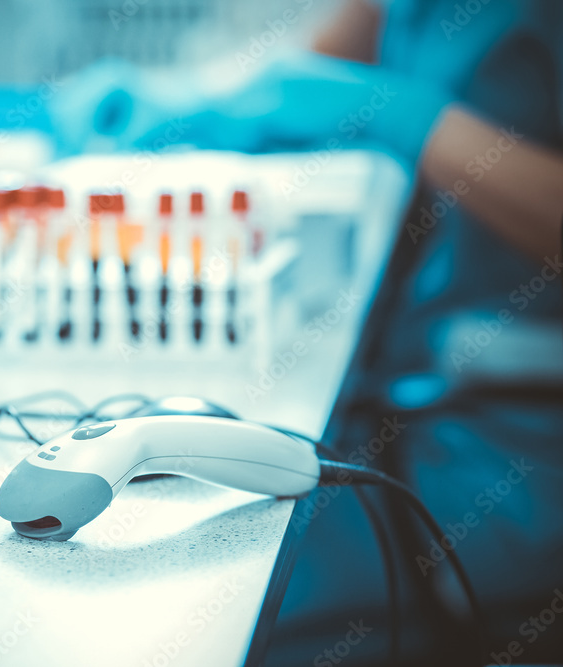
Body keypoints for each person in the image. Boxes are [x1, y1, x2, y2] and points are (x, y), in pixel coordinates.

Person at [51, 1, 563, 664]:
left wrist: (414, 121)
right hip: (409, 388)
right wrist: (212, 95)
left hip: (513, 450)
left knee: (195, 616)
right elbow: (330, 50)